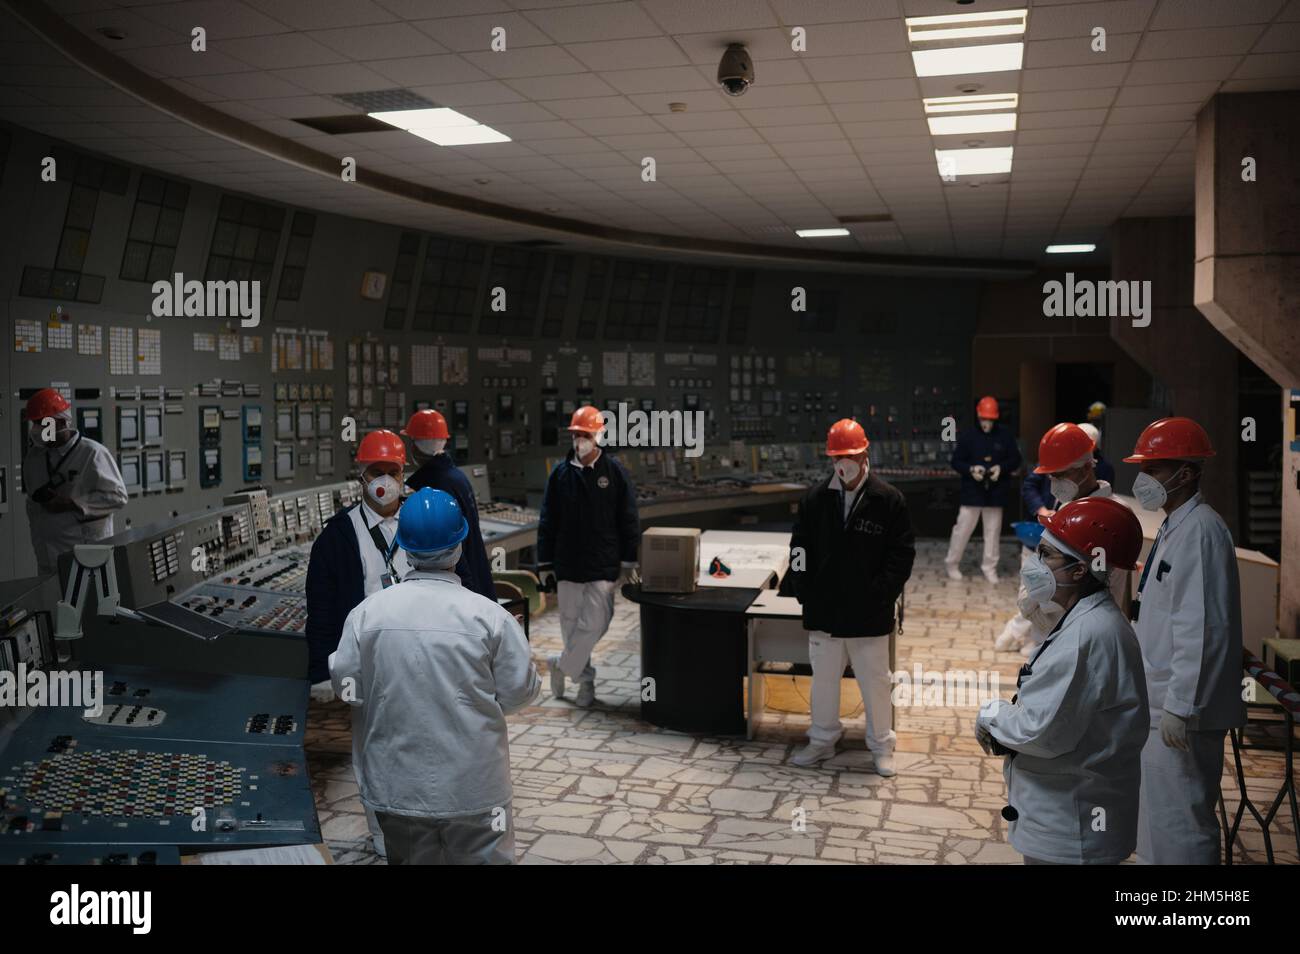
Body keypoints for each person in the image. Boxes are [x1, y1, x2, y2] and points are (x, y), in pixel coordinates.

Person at [330, 488, 540, 865]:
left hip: (398, 787)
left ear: (405, 548)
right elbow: (519, 693)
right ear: (459, 546)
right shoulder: (491, 617)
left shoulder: (366, 614)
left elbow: (348, 688)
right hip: (475, 788)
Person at [976, 496, 1149, 864]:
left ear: (1078, 571)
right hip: (1070, 814)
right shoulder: (1087, 619)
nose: (1033, 564)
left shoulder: (1087, 634)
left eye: (1045, 555)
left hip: (1073, 823)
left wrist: (991, 716)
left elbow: (1041, 729)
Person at [1124, 417, 1245, 865]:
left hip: (1182, 710)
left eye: (1155, 469)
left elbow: (1202, 627)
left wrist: (1180, 706)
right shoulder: (1178, 525)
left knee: (1181, 821)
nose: (1145, 479)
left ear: (1187, 472)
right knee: (1157, 816)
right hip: (1161, 701)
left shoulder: (1200, 531)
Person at [787, 419, 915, 775]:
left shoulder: (888, 500)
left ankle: (880, 746)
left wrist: (880, 595)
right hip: (824, 610)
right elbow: (799, 548)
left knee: (875, 681)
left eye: (850, 455)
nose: (843, 463)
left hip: (868, 613)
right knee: (824, 681)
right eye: (837, 456)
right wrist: (803, 591)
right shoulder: (814, 499)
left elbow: (901, 556)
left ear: (865, 453)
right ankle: (821, 741)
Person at [305, 428, 410, 858]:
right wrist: (320, 670)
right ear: (361, 477)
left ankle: (419, 823)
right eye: (375, 471)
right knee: (371, 753)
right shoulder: (337, 536)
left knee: (417, 747)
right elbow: (323, 609)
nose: (384, 480)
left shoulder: (420, 522)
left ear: (404, 474)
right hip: (367, 664)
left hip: (416, 658)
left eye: (393, 471)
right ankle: (383, 833)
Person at [537, 406, 640, 708]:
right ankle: (586, 683)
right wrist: (544, 563)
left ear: (598, 436)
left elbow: (628, 518)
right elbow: (548, 521)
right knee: (570, 625)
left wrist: (629, 559)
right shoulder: (560, 474)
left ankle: (561, 664)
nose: (580, 440)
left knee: (597, 622)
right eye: (576, 435)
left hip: (601, 563)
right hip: (567, 563)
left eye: (585, 435)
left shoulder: (615, 472)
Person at [995, 423, 1127, 655]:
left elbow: (1100, 588)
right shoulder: (1065, 509)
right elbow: (1038, 575)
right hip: (1049, 634)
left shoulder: (1113, 517)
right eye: (1051, 477)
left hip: (1081, 638)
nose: (1054, 483)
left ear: (1087, 468)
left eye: (1061, 475)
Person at [20, 389, 128, 578]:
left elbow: (118, 497)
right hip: (47, 559)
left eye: (42, 423)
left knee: (89, 605)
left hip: (86, 558)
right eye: (35, 423)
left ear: (61, 422)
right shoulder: (34, 458)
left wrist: (72, 503)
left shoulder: (92, 454)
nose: (36, 429)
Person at [402, 408, 495, 601]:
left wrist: (468, 594)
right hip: (475, 578)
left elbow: (450, 547)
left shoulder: (433, 486)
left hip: (456, 586)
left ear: (416, 447)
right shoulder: (456, 476)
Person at [945, 396, 1021, 583]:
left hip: (996, 492)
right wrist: (971, 470)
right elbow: (956, 461)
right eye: (983, 419)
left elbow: (1016, 459)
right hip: (972, 491)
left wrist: (1000, 469)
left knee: (993, 532)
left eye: (989, 419)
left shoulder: (1005, 435)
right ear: (978, 417)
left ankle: (989, 567)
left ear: (995, 418)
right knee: (962, 529)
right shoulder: (968, 436)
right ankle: (952, 563)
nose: (986, 423)